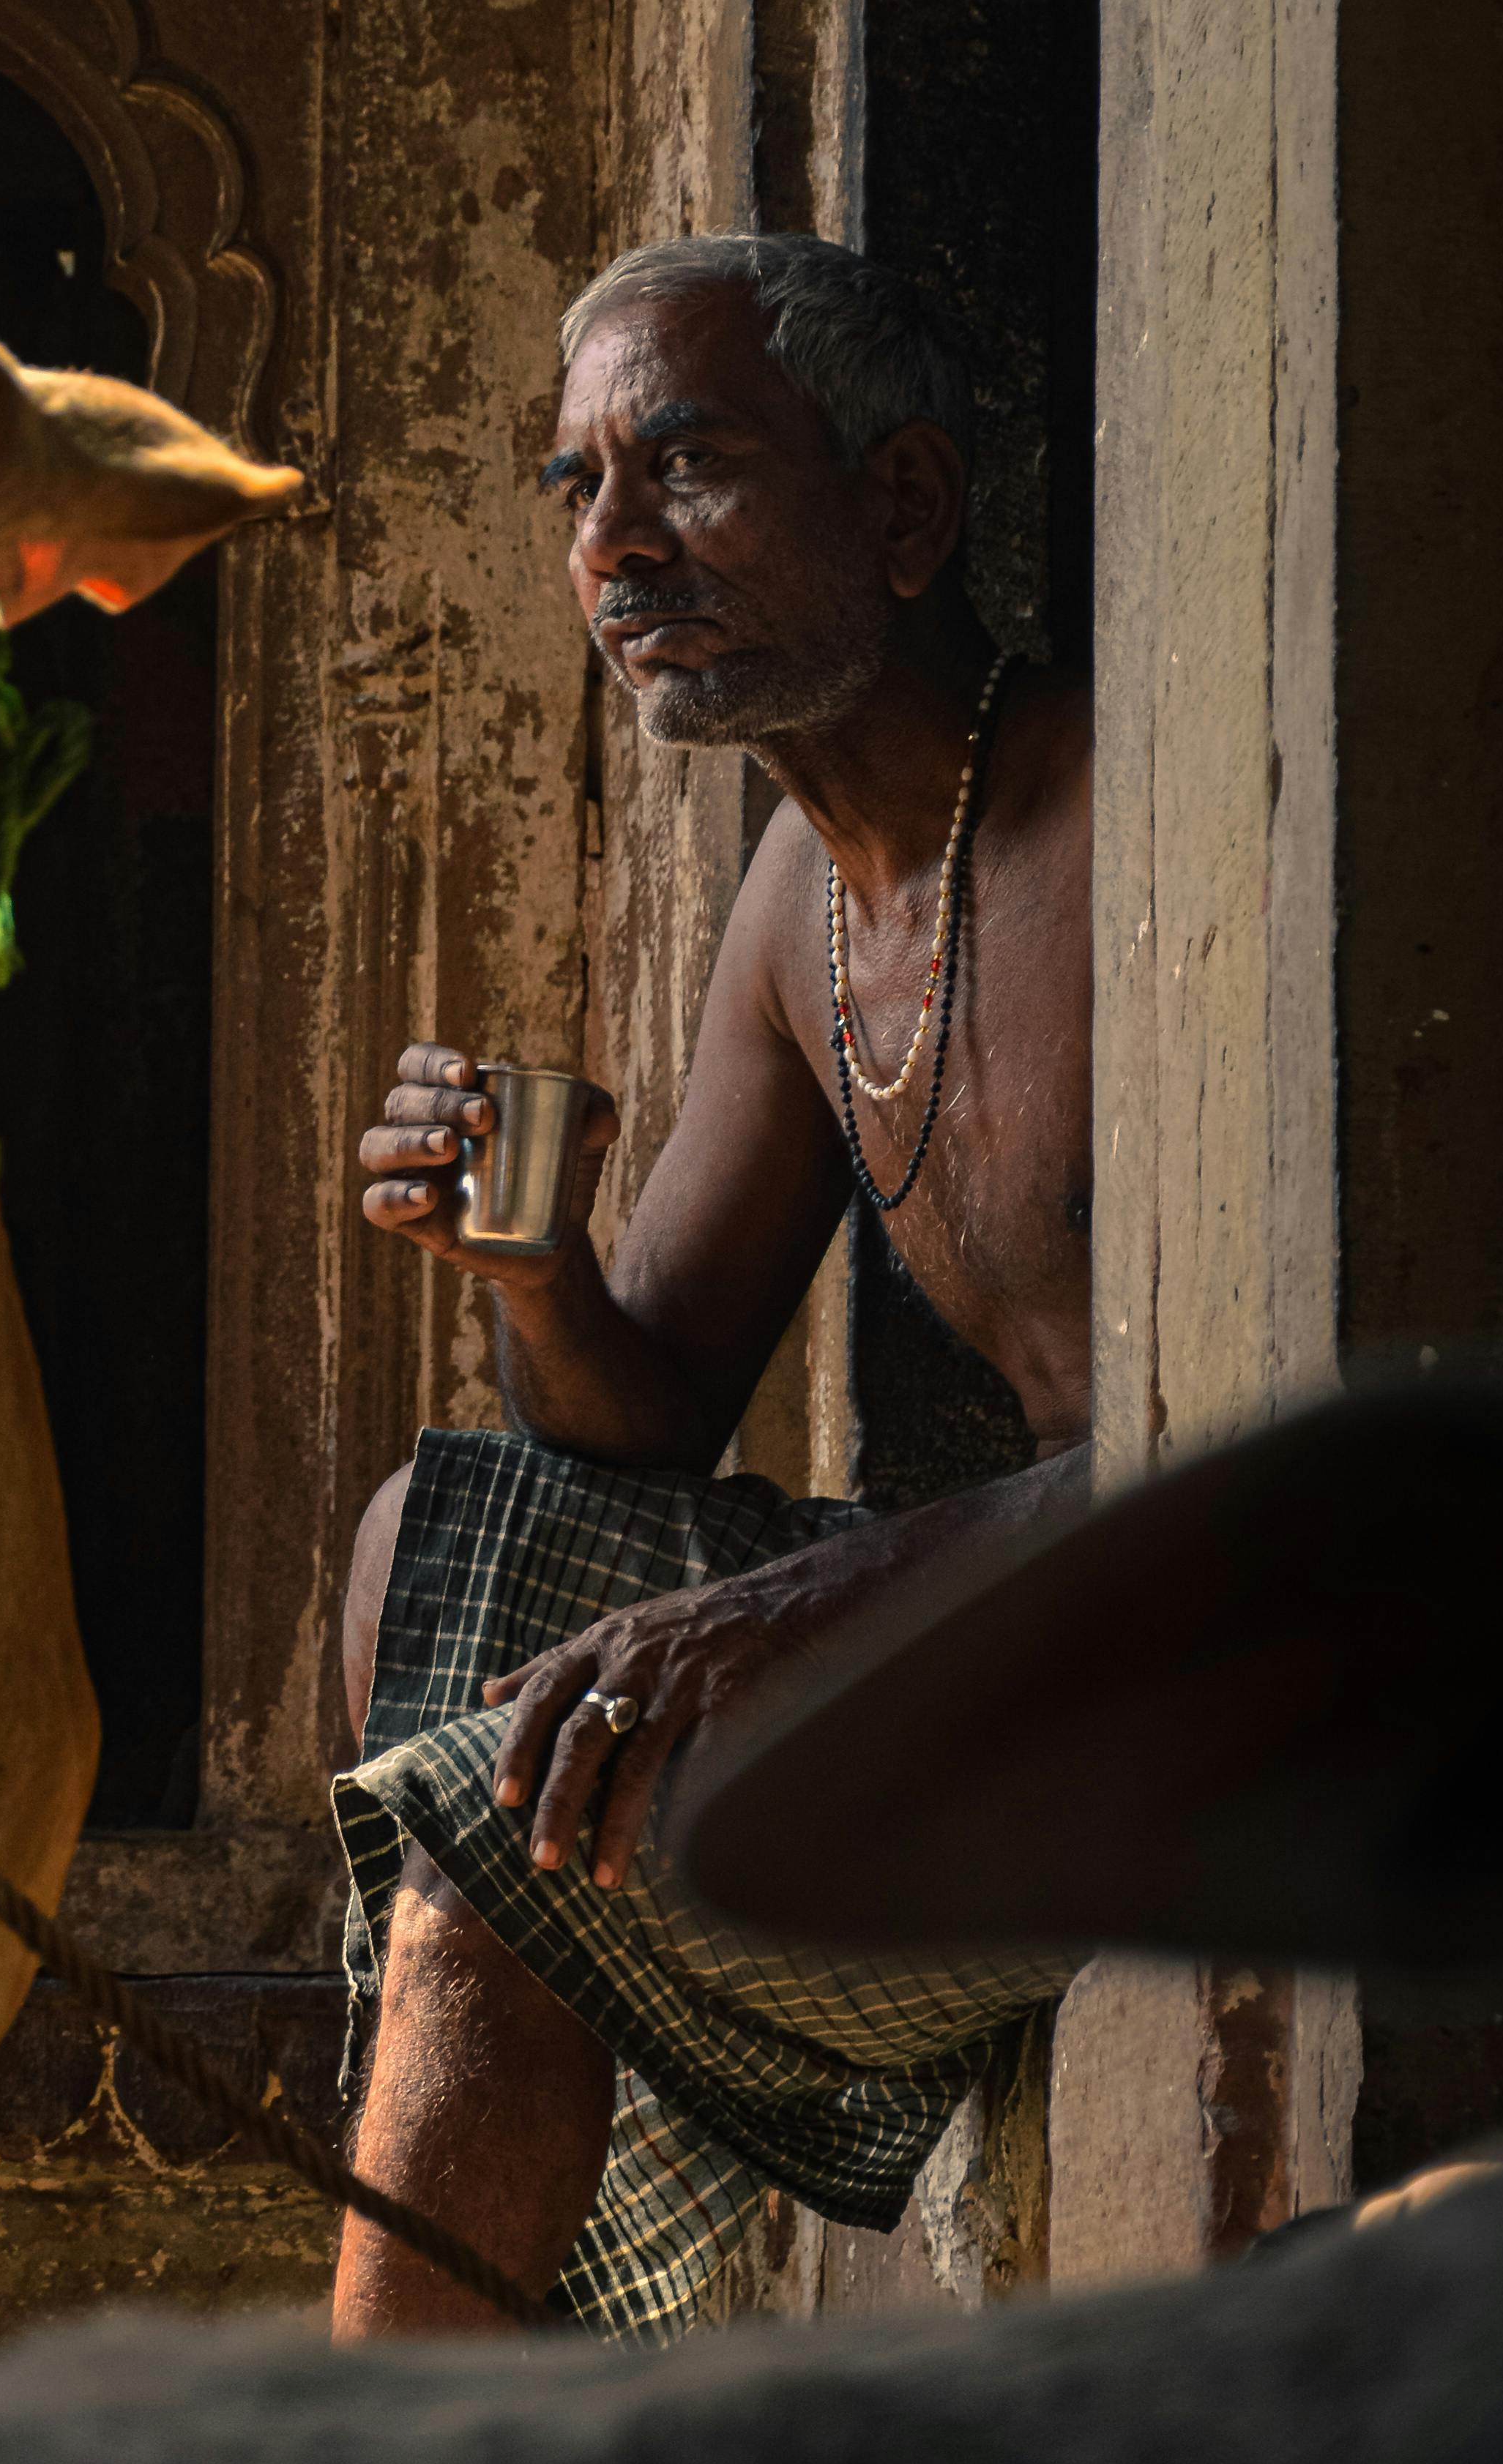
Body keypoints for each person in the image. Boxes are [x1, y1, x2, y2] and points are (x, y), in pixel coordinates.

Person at [332, 232, 1094, 2344]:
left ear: (904, 507)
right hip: (1002, 1613)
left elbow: (1245, 1433)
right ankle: (505, 2360)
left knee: (500, 1843)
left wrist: (786, 1609)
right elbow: (641, 1415)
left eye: (685, 465)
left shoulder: (1108, 810)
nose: (615, 544)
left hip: (1176, 1643)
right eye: (576, 488)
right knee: (425, 1550)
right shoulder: (802, 889)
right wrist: (531, 1268)